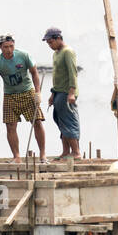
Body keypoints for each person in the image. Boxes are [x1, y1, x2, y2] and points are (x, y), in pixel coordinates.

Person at [0, 33, 47, 162]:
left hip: (27, 92)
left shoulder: (23, 56)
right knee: (10, 125)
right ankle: (17, 156)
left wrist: (37, 92)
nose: (9, 50)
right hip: (9, 95)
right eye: (5, 47)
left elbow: (34, 73)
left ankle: (43, 155)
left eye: (11, 46)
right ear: (0, 47)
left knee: (37, 121)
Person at [43, 26, 80, 157]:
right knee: (60, 121)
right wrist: (53, 93)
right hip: (58, 92)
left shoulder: (67, 52)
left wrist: (71, 92)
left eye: (51, 42)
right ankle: (65, 151)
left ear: (58, 38)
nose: (50, 45)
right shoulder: (56, 53)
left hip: (66, 92)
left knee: (69, 120)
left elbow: (72, 73)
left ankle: (76, 152)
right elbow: (57, 76)